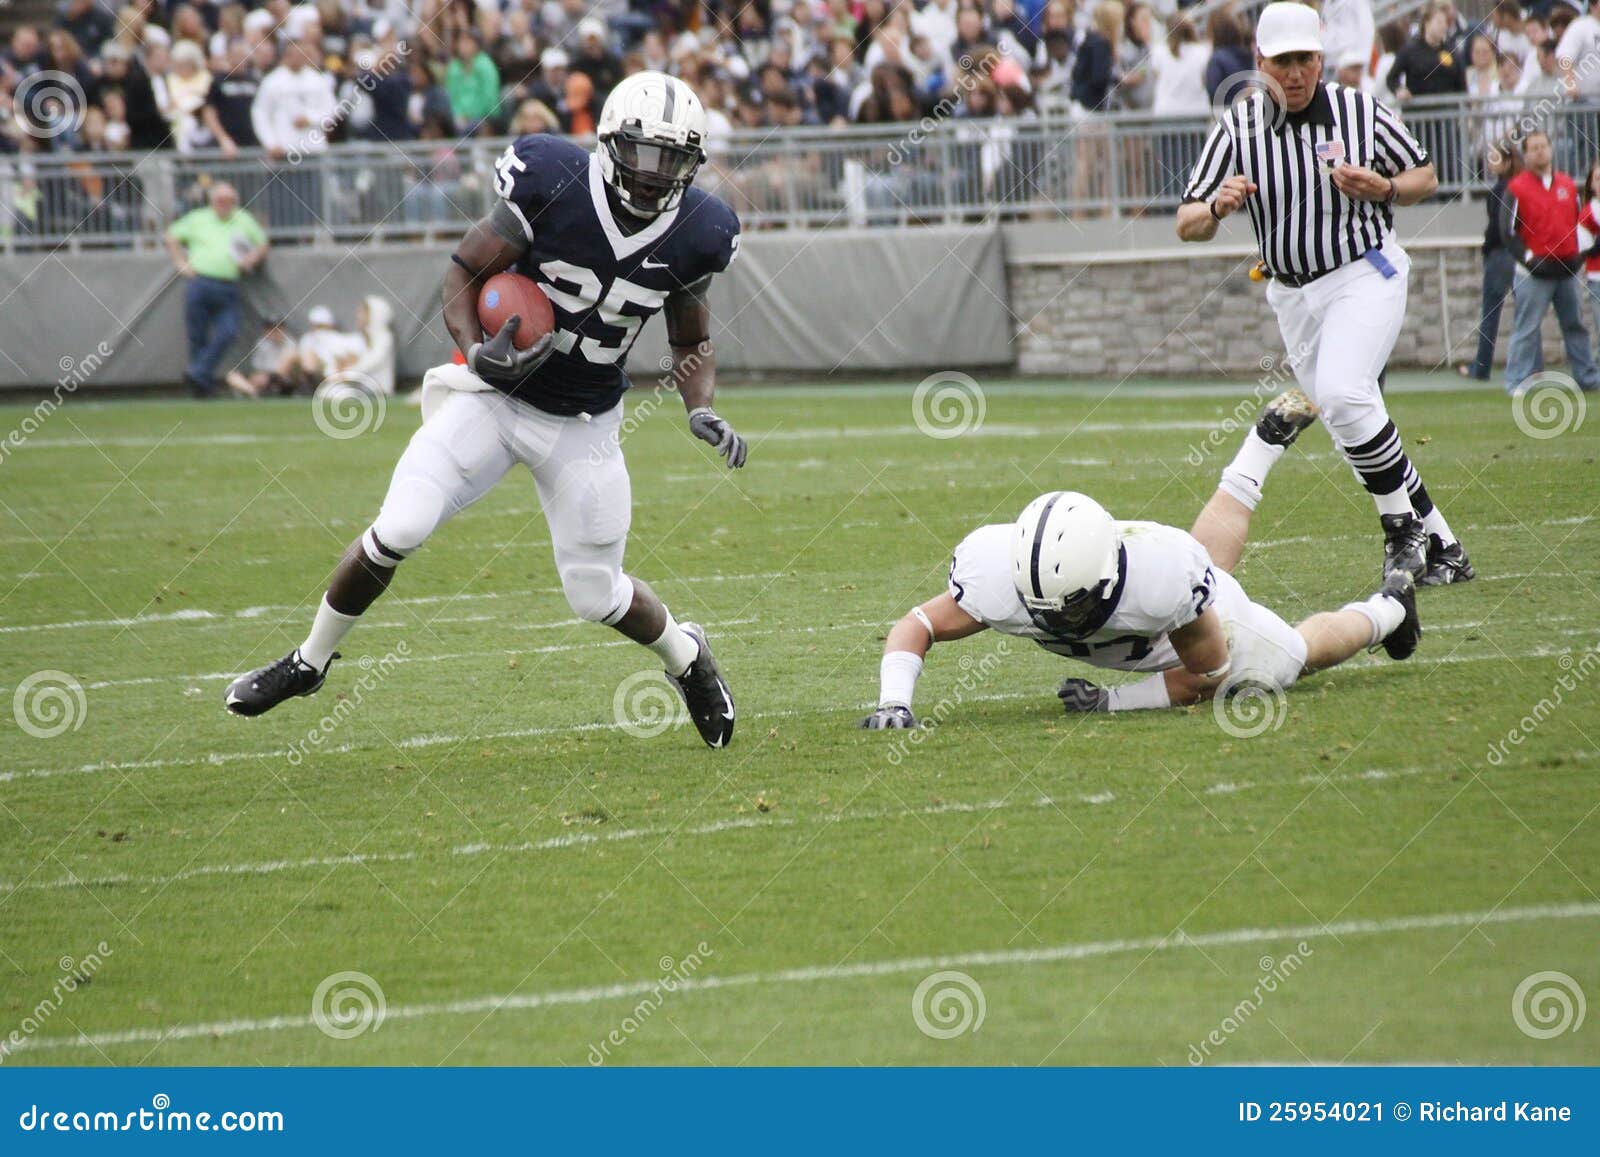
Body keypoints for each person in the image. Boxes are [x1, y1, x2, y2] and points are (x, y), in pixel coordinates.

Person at [225, 72, 748, 752]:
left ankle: (688, 657)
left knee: (595, 593)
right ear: (608, 143)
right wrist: (476, 353)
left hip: (583, 423)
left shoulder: (702, 229)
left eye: (671, 160)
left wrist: (699, 406)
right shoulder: (553, 177)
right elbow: (465, 271)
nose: (652, 175)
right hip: (495, 400)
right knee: (399, 526)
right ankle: (309, 661)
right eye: (641, 154)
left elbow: (689, 335)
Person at [858, 393, 1422, 728]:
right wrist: (895, 704)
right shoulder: (999, 573)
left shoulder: (1160, 583)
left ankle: (1390, 606)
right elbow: (919, 625)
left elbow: (1203, 679)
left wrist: (1111, 702)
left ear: (1104, 578)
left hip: (1203, 626)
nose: (1059, 620)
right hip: (1173, 578)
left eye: (1073, 607)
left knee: (1291, 659)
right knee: (1211, 564)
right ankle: (1263, 443)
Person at [1178, 2, 1472, 586]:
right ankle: (1444, 544)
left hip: (1364, 270)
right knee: (1353, 425)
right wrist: (1216, 207)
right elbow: (1187, 220)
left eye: (1305, 59)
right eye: (1282, 60)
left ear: (1320, 58)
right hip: (1292, 293)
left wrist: (1384, 186)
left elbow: (1425, 176)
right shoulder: (1239, 126)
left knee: (1342, 395)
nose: (1295, 73)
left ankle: (1401, 534)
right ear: (1260, 62)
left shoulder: (1359, 110)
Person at [1501, 129, 1600, 394]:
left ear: (1550, 148)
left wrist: (1580, 255)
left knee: (1575, 324)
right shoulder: (1516, 188)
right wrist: (1530, 259)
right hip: (1534, 273)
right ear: (1526, 153)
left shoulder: (1567, 185)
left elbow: (1579, 224)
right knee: (1527, 327)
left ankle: (1587, 377)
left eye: (1543, 146)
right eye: (1534, 148)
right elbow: (1507, 232)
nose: (1540, 151)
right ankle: (1516, 381)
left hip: (1566, 269)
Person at [165, 181, 268, 398]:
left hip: (227, 283)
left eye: (228, 200)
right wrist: (180, 263)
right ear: (212, 201)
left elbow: (262, 242)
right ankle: (201, 387)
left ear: (234, 202)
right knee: (197, 335)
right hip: (200, 282)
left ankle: (198, 371)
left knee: (229, 331)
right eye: (220, 200)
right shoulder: (198, 218)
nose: (224, 204)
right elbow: (171, 236)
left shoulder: (242, 218)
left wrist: (252, 258)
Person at [1460, 141, 1530, 380]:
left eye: (1495, 159)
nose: (1490, 164)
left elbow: (1498, 227)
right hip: (1519, 254)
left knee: (1491, 312)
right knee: (1528, 311)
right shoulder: (1521, 186)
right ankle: (1534, 367)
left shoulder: (1502, 189)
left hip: (1500, 253)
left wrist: (1488, 248)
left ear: (1508, 161)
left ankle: (1481, 367)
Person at [225, 317, 296, 397]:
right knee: (232, 376)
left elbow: (285, 368)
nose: (274, 332)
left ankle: (260, 391)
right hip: (263, 377)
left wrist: (270, 376)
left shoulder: (290, 343)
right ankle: (254, 392)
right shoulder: (261, 343)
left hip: (281, 379)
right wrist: (260, 376)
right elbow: (257, 367)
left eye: (277, 328)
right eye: (270, 329)